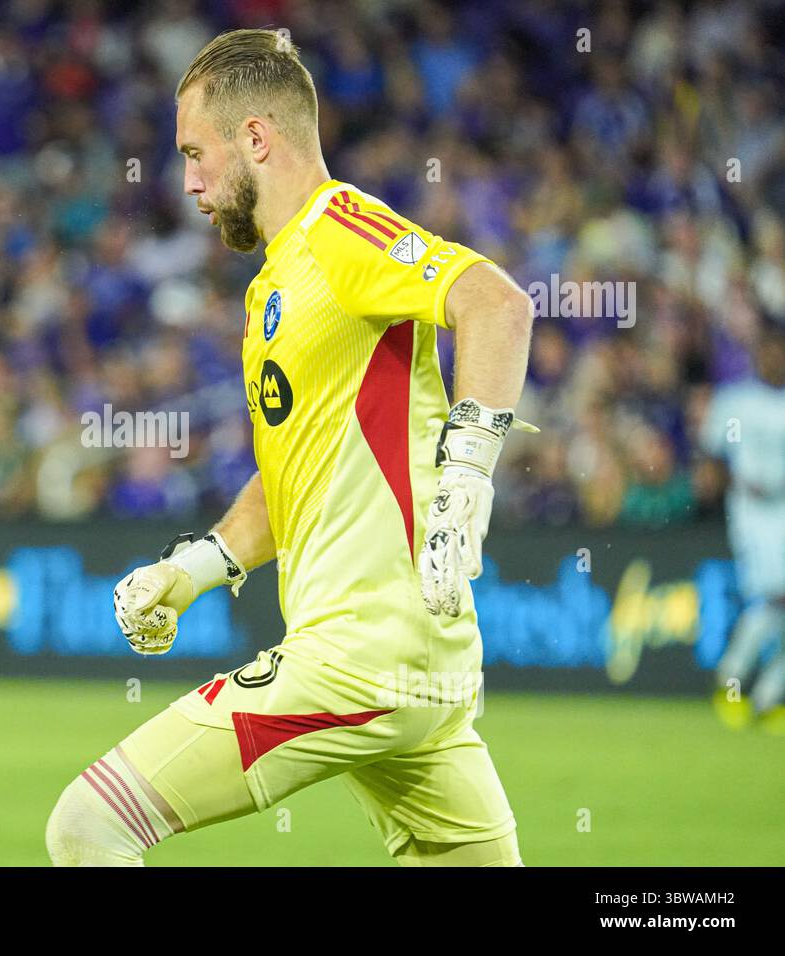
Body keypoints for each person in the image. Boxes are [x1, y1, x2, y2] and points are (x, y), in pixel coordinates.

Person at [46, 29, 534, 866]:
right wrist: (191, 571)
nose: (190, 182)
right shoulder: (276, 284)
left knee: (89, 824)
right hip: (415, 669)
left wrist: (466, 478)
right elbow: (292, 485)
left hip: (359, 657)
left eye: (197, 154)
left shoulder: (341, 229)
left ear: (257, 139)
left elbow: (497, 305)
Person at [701, 314, 785, 734]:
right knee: (773, 600)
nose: (774, 359)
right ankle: (730, 681)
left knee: (776, 606)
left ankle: (770, 699)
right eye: (767, 351)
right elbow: (712, 459)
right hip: (754, 512)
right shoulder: (736, 402)